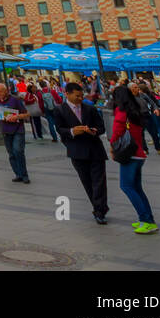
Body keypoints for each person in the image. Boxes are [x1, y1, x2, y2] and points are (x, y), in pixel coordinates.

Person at [53, 81, 109, 224]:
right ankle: (98, 206)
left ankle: (100, 210)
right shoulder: (60, 110)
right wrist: (72, 131)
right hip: (77, 151)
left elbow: (101, 127)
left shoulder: (89, 108)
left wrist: (94, 131)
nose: (80, 98)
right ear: (67, 94)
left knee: (99, 181)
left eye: (81, 95)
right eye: (77, 96)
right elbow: (60, 130)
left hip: (95, 149)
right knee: (87, 182)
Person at [110, 83, 157, 233]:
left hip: (129, 155)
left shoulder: (122, 111)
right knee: (137, 188)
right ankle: (148, 219)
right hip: (139, 154)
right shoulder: (135, 110)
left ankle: (146, 220)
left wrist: (112, 146)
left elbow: (117, 131)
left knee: (126, 186)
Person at [134, 82, 160, 154]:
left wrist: (155, 109)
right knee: (141, 134)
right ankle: (145, 149)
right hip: (137, 117)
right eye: (134, 87)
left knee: (154, 132)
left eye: (136, 87)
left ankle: (158, 148)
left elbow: (152, 103)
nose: (136, 89)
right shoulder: (130, 97)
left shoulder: (143, 95)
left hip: (146, 115)